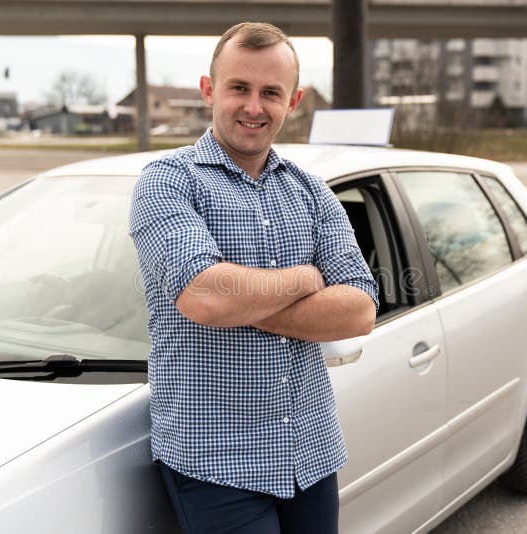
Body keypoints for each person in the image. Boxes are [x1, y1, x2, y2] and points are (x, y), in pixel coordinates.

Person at [129, 22, 378, 534]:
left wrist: (245, 301)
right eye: (239, 87)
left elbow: (360, 310)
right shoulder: (168, 182)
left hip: (309, 451)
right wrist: (305, 279)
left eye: (271, 93)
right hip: (216, 464)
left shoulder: (311, 191)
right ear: (208, 89)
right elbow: (206, 298)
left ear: (294, 101)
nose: (253, 106)